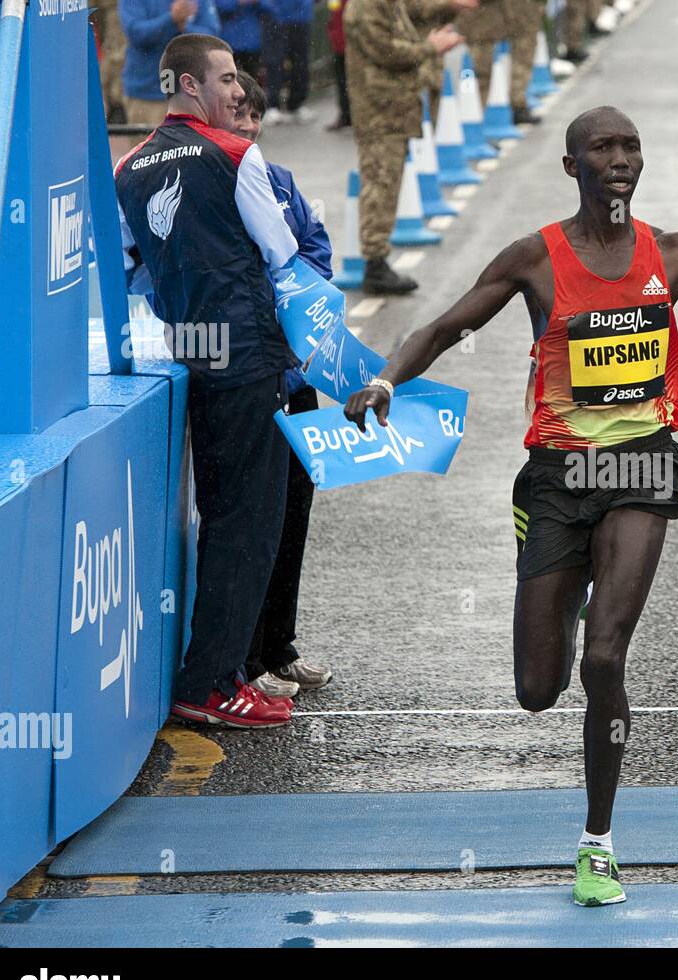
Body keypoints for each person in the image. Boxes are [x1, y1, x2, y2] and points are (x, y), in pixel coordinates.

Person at [344, 86, 678, 906]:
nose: (622, 159)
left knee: (607, 658)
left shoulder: (675, 253)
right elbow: (448, 325)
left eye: (631, 147)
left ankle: (597, 843)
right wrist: (386, 378)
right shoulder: (534, 257)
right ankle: (561, 586)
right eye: (604, 149)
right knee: (538, 689)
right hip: (559, 479)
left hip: (641, 468)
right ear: (573, 167)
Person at [116, 33, 301, 729]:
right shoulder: (236, 154)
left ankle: (214, 674)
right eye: (226, 79)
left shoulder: (129, 165)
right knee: (246, 524)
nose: (236, 90)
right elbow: (284, 259)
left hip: (188, 355)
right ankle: (214, 683)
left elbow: (127, 267)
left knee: (219, 515)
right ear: (189, 87)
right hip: (251, 359)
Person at [230, 72, 337, 698]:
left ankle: (279, 647)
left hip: (294, 376)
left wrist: (295, 305)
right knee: (250, 523)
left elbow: (313, 255)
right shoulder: (204, 184)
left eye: (250, 117)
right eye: (232, 116)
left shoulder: (280, 184)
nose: (243, 127)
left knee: (293, 513)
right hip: (242, 378)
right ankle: (243, 660)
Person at [345, 0, 465, 295]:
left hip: (394, 106)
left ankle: (378, 259)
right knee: (380, 182)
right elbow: (385, 50)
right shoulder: (366, 7)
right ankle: (375, 262)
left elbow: (415, 20)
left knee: (388, 181)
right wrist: (430, 47)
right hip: (378, 110)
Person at [120, 0, 222, 127]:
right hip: (147, 93)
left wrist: (184, 27)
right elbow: (136, 33)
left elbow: (212, 37)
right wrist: (171, 19)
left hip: (191, 95)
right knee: (148, 146)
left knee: (192, 146)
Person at [259, 0, 315, 124]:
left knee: (301, 62)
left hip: (300, 16)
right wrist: (271, 8)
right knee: (275, 62)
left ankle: (296, 103)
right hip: (276, 17)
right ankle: (272, 105)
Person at [91, 0, 129, 124]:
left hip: (113, 7)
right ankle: (112, 102)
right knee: (113, 49)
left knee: (115, 49)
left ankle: (115, 101)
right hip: (105, 7)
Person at [216, 0, 264, 78]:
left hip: (251, 43)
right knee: (228, 78)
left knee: (250, 81)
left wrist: (258, 2)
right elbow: (218, 7)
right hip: (229, 43)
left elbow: (271, 7)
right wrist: (238, 2)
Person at [328, 0, 353, 129]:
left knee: (349, 81)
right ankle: (346, 115)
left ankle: (349, 115)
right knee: (342, 81)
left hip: (347, 42)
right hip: (340, 41)